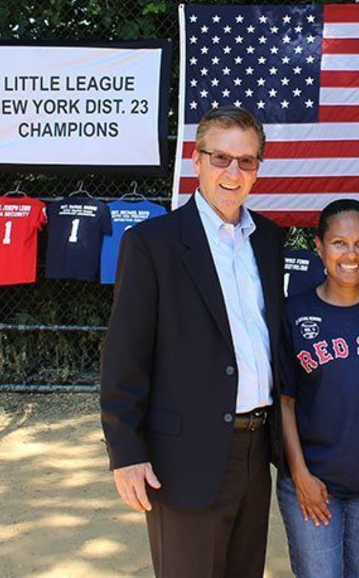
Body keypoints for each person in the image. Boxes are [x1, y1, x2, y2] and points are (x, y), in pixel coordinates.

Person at [100, 106, 286, 578]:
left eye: (246, 161)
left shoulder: (267, 239)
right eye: (220, 158)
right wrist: (126, 453)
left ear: (257, 169)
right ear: (196, 159)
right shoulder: (153, 243)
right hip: (185, 455)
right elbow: (125, 355)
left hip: (256, 447)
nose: (233, 172)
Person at [277, 199, 359, 578]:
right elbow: (285, 402)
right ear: (318, 246)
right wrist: (300, 475)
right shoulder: (293, 312)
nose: (350, 254)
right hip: (313, 481)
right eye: (339, 243)